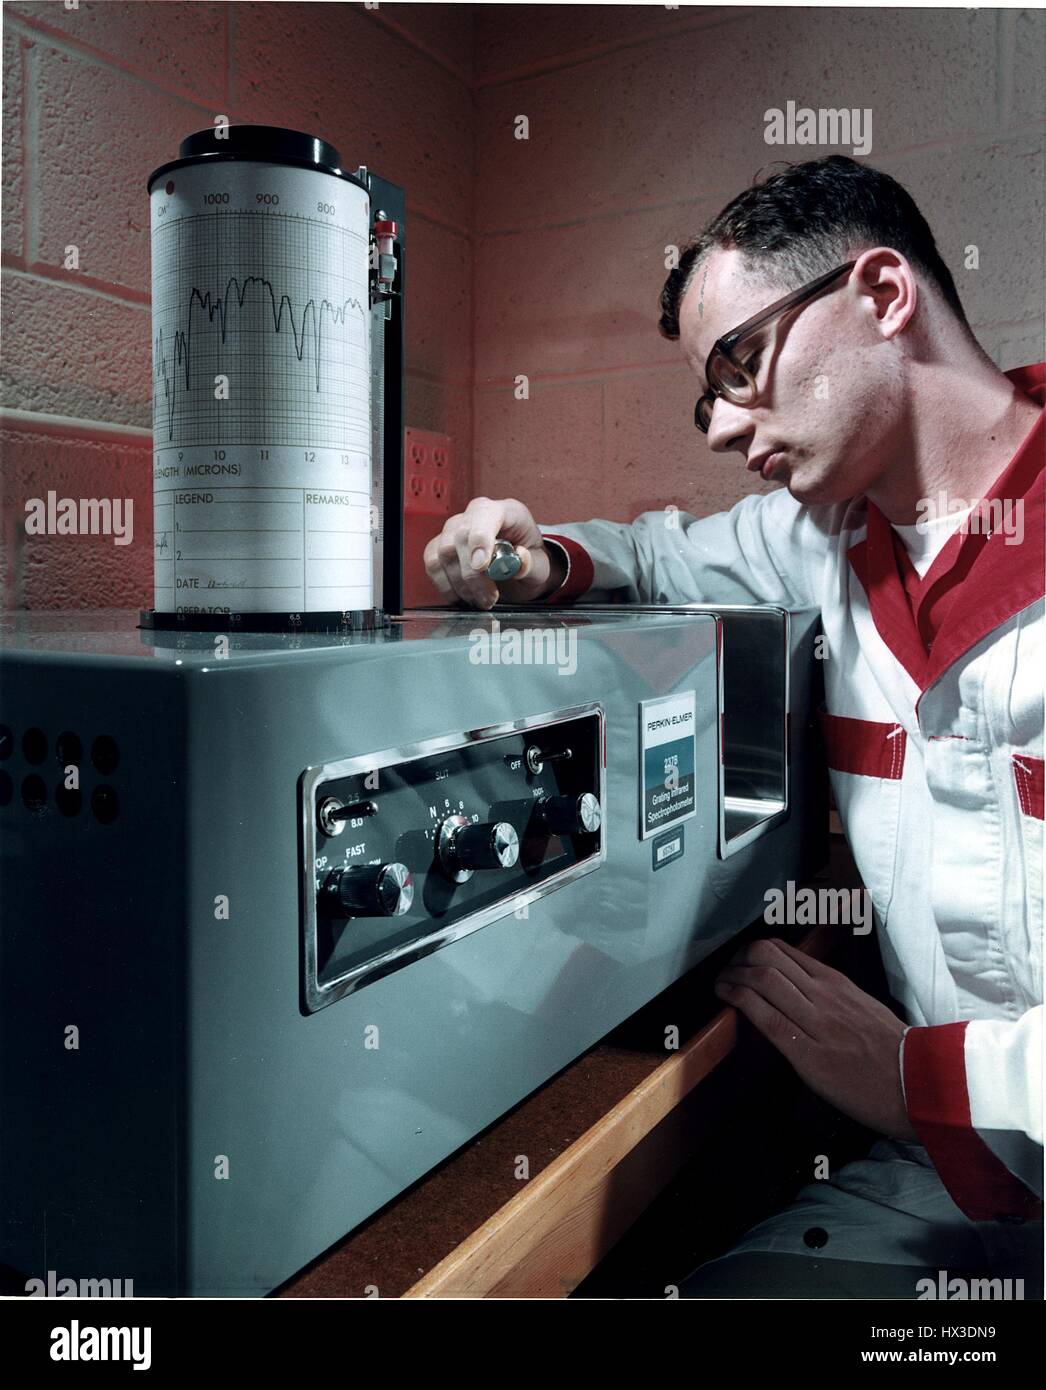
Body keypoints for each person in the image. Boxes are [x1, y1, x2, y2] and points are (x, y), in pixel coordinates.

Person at [423, 156, 1043, 1298]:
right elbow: (652, 553)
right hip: (943, 1181)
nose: (715, 425)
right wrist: (525, 549)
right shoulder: (822, 539)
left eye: (738, 366)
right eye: (704, 392)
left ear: (882, 295)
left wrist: (915, 1077)